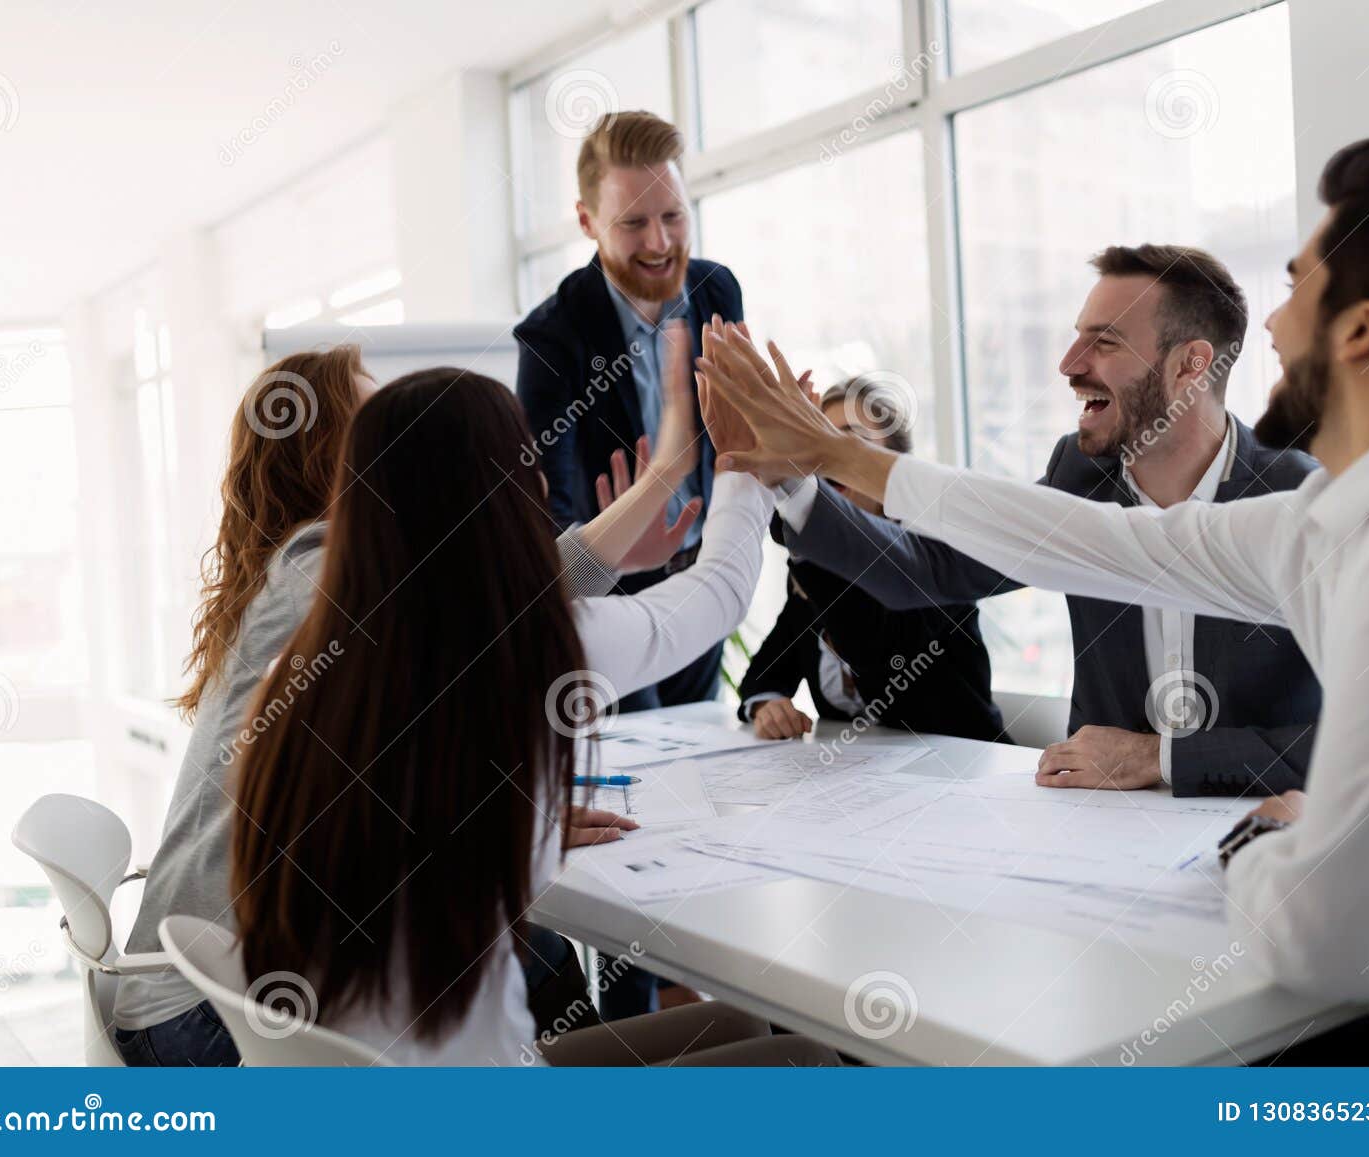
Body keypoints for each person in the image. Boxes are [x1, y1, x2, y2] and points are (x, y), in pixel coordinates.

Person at [699, 129, 1369, 1065]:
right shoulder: (1354, 512)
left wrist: (1255, 839)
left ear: (1363, 327)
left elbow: (1329, 932)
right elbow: (1094, 544)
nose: (1274, 326)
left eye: (1300, 285)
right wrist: (836, 458)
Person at [113, 341, 706, 1066]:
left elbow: (484, 597)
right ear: (338, 451)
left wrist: (509, 818)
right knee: (535, 958)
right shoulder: (319, 567)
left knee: (537, 953)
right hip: (200, 1021)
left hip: (209, 996)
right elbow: (494, 587)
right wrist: (670, 466)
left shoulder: (306, 573)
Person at [228, 365, 837, 1066]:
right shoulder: (531, 649)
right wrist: (743, 466)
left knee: (742, 1029)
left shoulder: (303, 672)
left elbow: (410, 821)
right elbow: (719, 594)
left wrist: (522, 821)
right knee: (804, 1060)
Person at [762, 246, 1321, 797]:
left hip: (1260, 831)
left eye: (1104, 342)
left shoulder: (1300, 495)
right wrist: (792, 481)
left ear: (1190, 365)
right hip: (1092, 824)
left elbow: (1352, 744)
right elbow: (925, 571)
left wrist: (1161, 757)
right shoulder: (1080, 474)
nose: (1069, 365)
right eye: (1078, 337)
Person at [515, 110, 741, 714]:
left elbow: (739, 435)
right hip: (606, 595)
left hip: (700, 574)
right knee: (635, 775)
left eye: (673, 216)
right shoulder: (551, 337)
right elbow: (548, 511)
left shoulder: (717, 289)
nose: (660, 244)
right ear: (587, 221)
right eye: (633, 223)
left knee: (703, 750)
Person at [738, 375, 1008, 744]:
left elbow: (874, 653)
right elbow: (766, 672)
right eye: (814, 440)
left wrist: (809, 527)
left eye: (850, 441)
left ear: (892, 466)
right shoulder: (811, 568)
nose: (824, 457)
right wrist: (767, 705)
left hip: (963, 771)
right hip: (864, 780)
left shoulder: (933, 554)